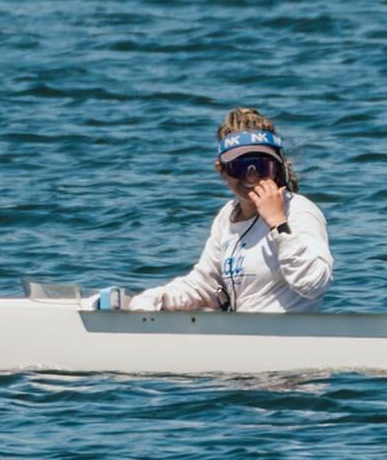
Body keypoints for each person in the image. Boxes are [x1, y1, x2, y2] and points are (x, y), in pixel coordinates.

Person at [109, 109, 333, 313]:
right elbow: (206, 285)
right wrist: (158, 298)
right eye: (241, 166)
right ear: (222, 170)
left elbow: (314, 284)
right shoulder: (227, 216)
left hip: (287, 342)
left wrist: (278, 222)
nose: (252, 177)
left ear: (276, 167)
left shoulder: (299, 212)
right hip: (243, 337)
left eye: (261, 166)